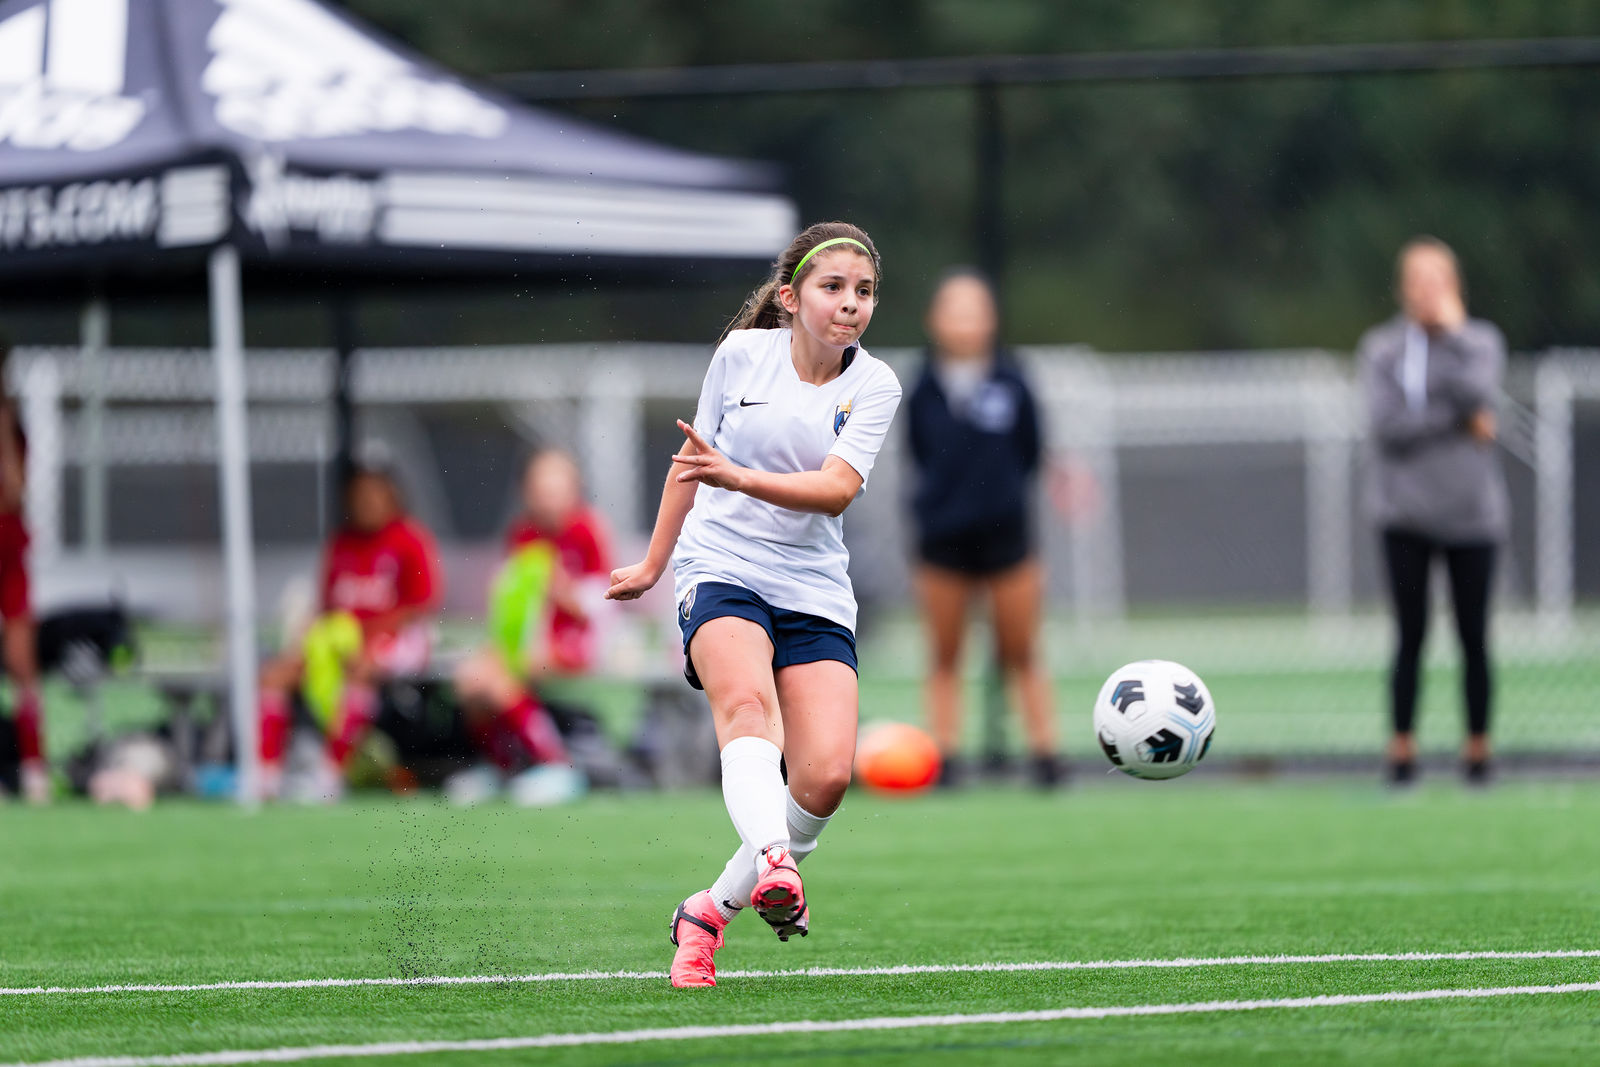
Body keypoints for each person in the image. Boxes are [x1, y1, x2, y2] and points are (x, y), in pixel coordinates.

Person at [606, 222, 901, 987]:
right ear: (791, 298)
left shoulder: (876, 385)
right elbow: (692, 459)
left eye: (864, 290)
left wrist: (737, 475)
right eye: (833, 287)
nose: (851, 303)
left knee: (824, 776)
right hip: (721, 564)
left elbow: (834, 489)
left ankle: (708, 910)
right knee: (747, 711)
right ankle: (774, 859)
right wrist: (654, 563)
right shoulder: (741, 355)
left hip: (812, 585)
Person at [905, 269, 1061, 788]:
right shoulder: (922, 387)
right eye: (954, 311)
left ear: (992, 320)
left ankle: (1046, 757)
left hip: (1007, 537)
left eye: (975, 311)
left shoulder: (1013, 381)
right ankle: (945, 758)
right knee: (944, 653)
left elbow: (1031, 450)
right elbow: (920, 453)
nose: (965, 323)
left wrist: (997, 499)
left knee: (1022, 650)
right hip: (942, 539)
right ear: (934, 320)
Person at [1360, 236, 1507, 785]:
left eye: (1437, 279)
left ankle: (1478, 748)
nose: (1427, 291)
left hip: (1472, 515)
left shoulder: (1480, 342)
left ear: (1454, 286)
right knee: (1410, 634)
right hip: (1404, 514)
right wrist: (1459, 420)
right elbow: (1388, 426)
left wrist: (1454, 339)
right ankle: (1402, 747)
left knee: (1474, 636)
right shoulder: (1383, 349)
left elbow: (1479, 392)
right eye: (1417, 280)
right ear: (1402, 288)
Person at [257, 452, 442, 799]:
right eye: (358, 493)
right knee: (274, 675)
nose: (366, 501)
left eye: (374, 492)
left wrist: (367, 638)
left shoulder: (409, 539)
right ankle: (265, 778)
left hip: (397, 639)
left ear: (391, 494)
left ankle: (329, 775)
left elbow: (420, 605)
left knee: (362, 669)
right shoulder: (341, 543)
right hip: (342, 641)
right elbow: (329, 608)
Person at [453, 449, 611, 772]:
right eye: (541, 486)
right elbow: (513, 601)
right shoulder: (522, 534)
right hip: (530, 640)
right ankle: (503, 767)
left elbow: (603, 601)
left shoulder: (587, 531)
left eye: (557, 486)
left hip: (578, 641)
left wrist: (561, 589)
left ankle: (553, 763)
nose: (549, 496)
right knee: (470, 680)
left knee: (501, 681)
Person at [0, 335, 46, 803]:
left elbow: (15, 492)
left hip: (9, 552)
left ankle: (35, 769)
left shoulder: (14, 430)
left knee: (21, 661)